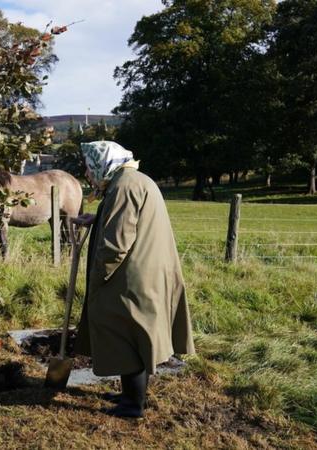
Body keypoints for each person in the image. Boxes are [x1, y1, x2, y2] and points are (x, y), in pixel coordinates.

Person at [73, 141, 194, 418]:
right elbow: (126, 219)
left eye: (91, 168)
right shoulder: (133, 179)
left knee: (124, 331)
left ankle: (131, 406)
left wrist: (98, 276)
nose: (89, 174)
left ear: (104, 163)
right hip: (146, 270)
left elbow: (117, 243)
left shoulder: (124, 186)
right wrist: (98, 216)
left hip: (132, 275)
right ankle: (131, 393)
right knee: (135, 333)